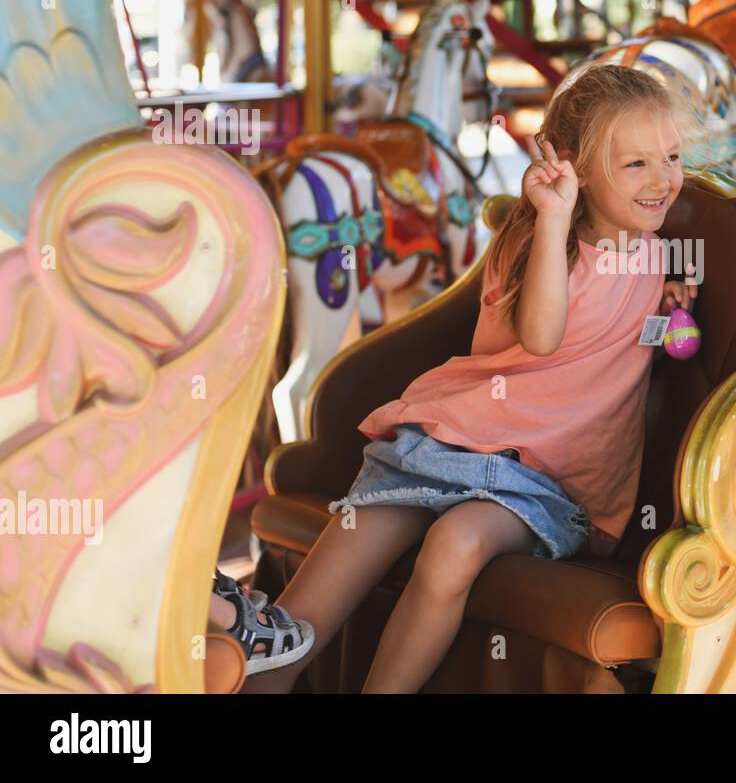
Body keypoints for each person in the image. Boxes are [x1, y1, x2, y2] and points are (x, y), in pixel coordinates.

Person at [244, 63, 700, 693]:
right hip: (453, 445)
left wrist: (678, 315)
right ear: (574, 170)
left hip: (546, 486)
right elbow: (542, 336)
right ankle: (266, 669)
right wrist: (553, 217)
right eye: (636, 165)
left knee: (456, 543)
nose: (665, 180)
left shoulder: (660, 256)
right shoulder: (537, 240)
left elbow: (674, 351)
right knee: (353, 537)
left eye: (671, 157)